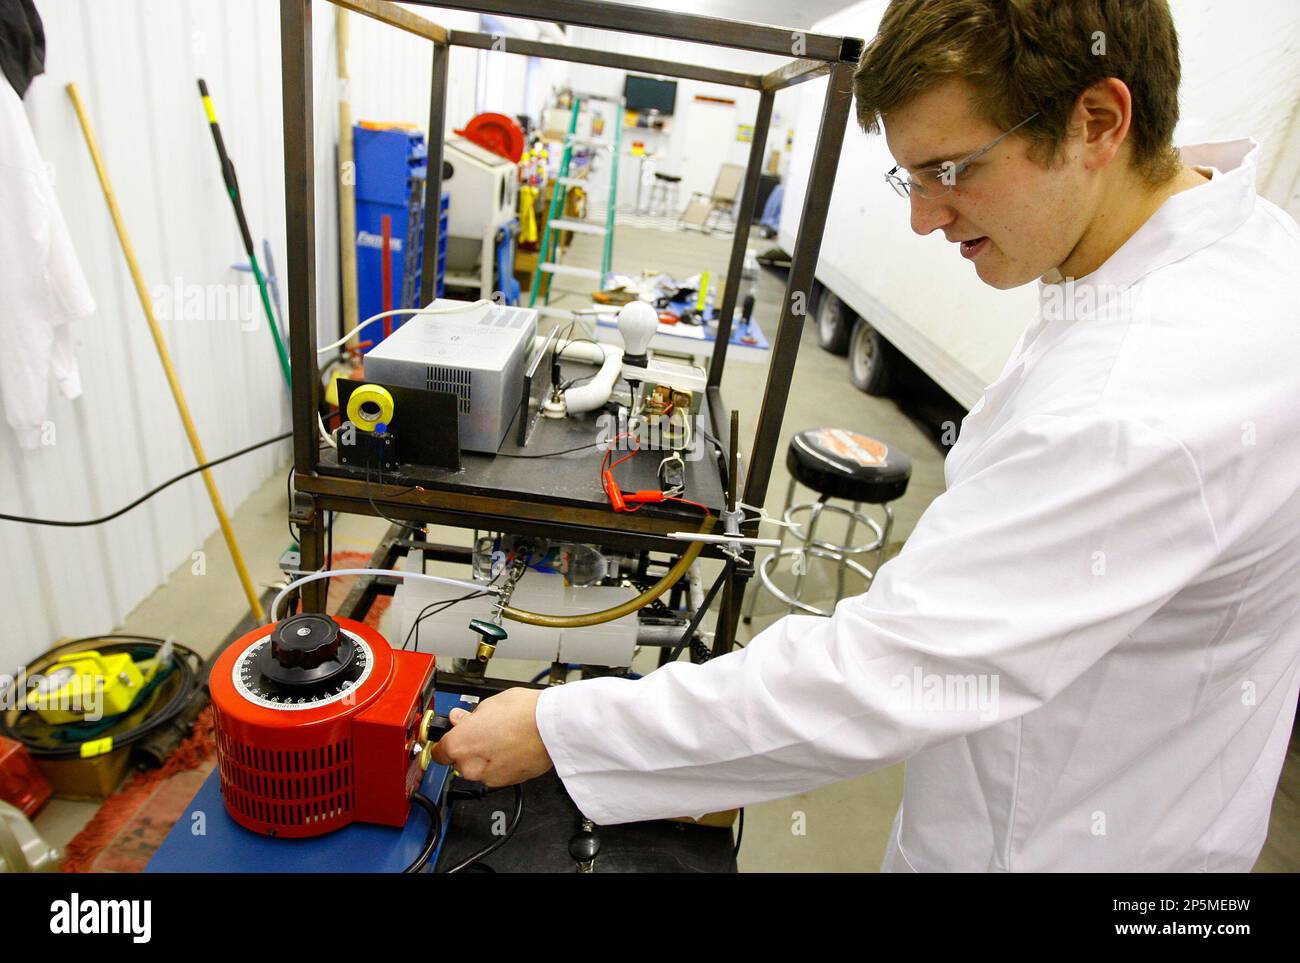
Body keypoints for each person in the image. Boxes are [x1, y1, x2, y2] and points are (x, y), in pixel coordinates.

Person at [431, 0, 1300, 871]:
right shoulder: (1232, 257)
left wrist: (558, 725)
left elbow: (885, 672)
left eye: (952, 169)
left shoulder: (1145, 393)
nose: (926, 218)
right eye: (910, 178)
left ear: (1098, 122)